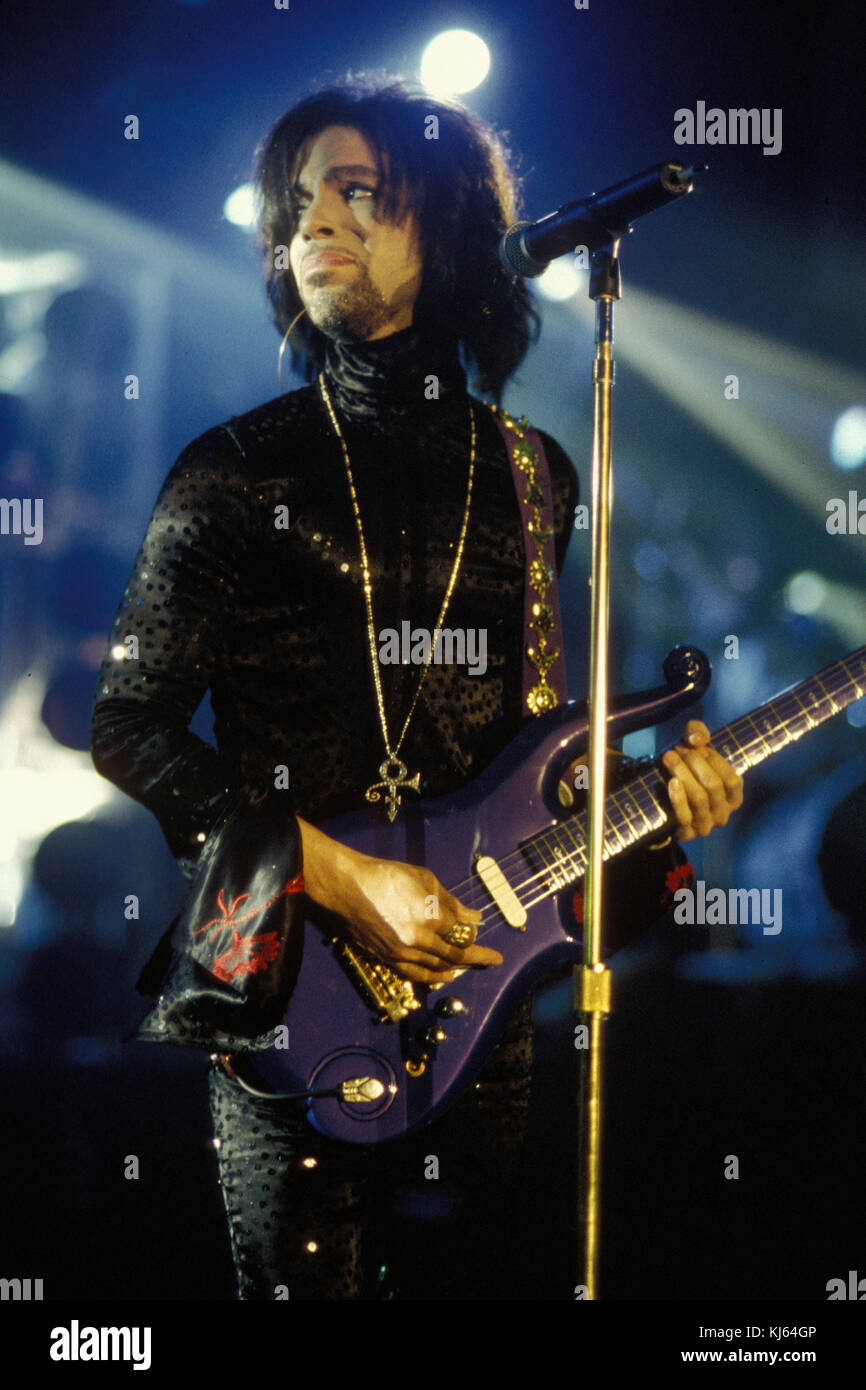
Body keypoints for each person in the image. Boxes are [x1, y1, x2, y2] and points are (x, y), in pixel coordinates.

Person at [90, 75, 743, 1300]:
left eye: (355, 195)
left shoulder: (531, 476)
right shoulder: (235, 469)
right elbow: (127, 725)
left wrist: (659, 811)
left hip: (473, 1003)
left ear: (441, 227)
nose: (311, 228)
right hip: (285, 993)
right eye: (296, 205)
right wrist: (337, 872)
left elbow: (540, 763)